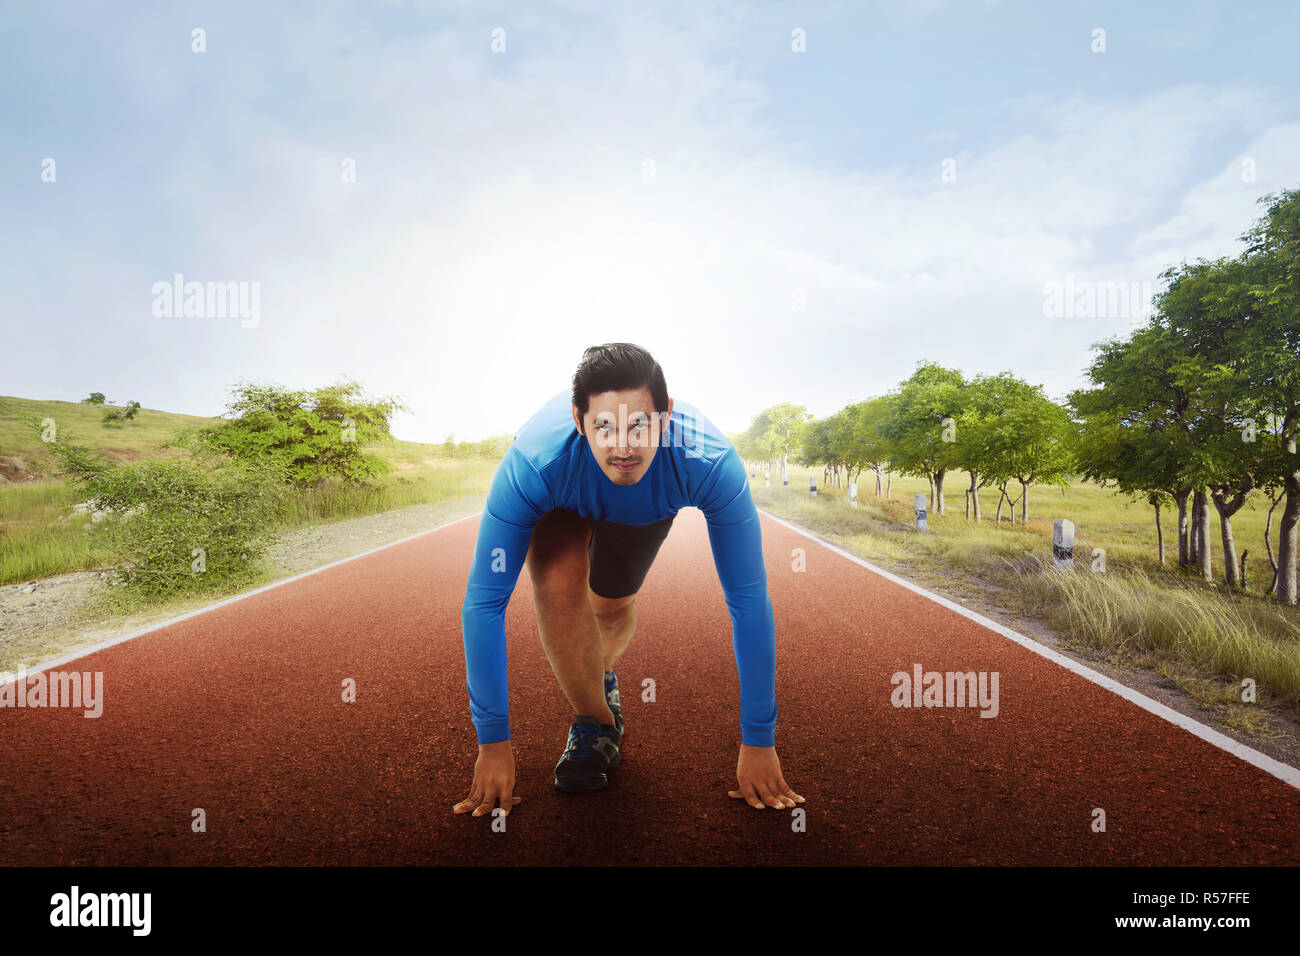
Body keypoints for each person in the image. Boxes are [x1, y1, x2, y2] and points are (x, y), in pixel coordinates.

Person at [453, 342, 803, 817]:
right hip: (562, 495)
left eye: (640, 425)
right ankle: (597, 722)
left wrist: (759, 741)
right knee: (558, 584)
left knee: (611, 608)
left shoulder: (709, 462)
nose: (622, 447)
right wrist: (492, 743)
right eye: (604, 426)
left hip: (644, 509)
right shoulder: (533, 465)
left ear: (666, 416)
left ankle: (601, 674)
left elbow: (748, 600)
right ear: (579, 420)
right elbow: (483, 604)